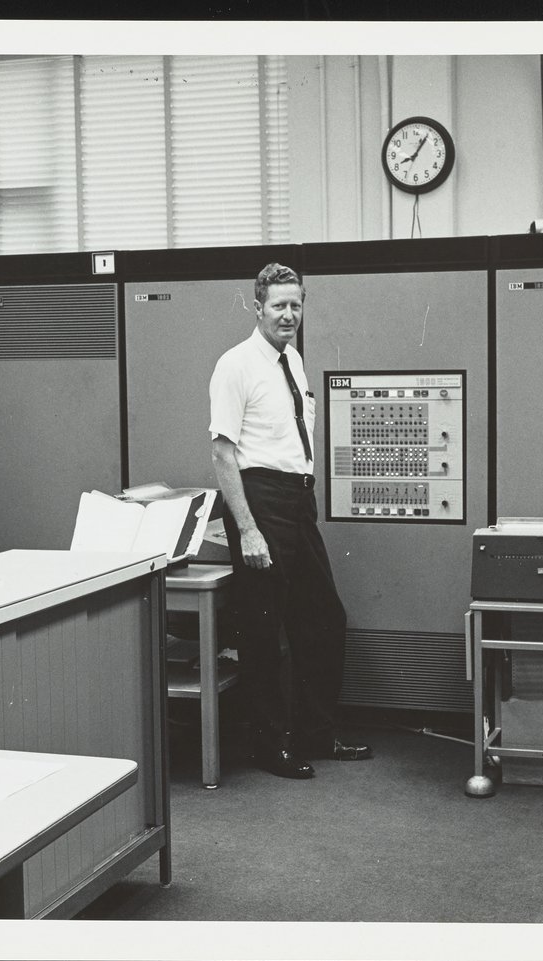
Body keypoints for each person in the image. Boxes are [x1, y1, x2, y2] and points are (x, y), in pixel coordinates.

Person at [208, 262, 372, 779]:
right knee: (263, 629)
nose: (288, 314)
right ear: (257, 307)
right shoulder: (235, 365)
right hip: (261, 499)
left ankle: (316, 734)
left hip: (299, 500)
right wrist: (248, 529)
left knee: (324, 618)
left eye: (295, 305)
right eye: (278, 305)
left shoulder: (293, 361)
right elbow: (222, 453)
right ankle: (268, 745)